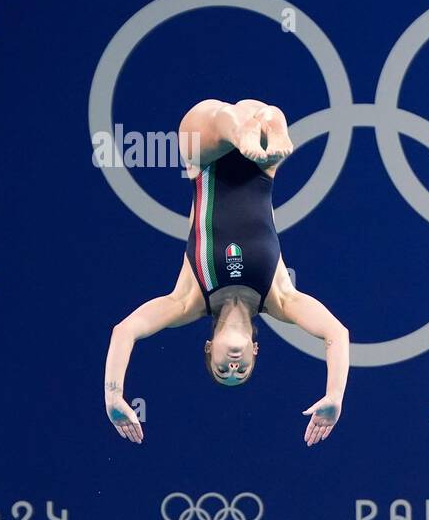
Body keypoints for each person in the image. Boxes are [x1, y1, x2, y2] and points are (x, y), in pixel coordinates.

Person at [104, 99, 350, 447]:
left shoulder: (187, 301)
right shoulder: (279, 298)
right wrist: (334, 396)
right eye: (242, 370)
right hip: (261, 166)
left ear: (209, 348)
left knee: (225, 121)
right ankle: (263, 122)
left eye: (223, 370)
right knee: (267, 131)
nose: (233, 366)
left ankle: (247, 128)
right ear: (254, 351)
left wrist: (114, 397)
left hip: (203, 158)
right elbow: (336, 333)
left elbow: (124, 331)